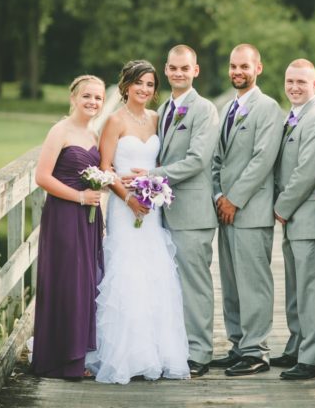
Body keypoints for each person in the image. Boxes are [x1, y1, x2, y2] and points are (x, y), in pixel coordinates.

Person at [86, 59, 190, 384]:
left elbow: (160, 162)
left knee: (154, 272)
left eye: (150, 84)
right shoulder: (115, 121)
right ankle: (125, 356)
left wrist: (154, 188)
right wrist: (129, 199)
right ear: (126, 85)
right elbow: (105, 169)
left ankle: (155, 353)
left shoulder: (157, 119)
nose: (144, 89)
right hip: (124, 208)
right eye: (139, 83)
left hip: (152, 209)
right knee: (127, 272)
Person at [123, 45, 220, 378]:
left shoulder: (204, 110)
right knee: (170, 286)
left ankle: (200, 352)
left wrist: (151, 175)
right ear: (166, 70)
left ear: (196, 71)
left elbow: (197, 160)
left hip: (192, 213)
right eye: (173, 68)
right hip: (162, 213)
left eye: (185, 68)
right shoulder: (163, 108)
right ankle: (176, 349)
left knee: (195, 285)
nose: (179, 73)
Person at [210, 43, 284, 376]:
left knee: (254, 284)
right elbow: (217, 158)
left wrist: (234, 199)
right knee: (231, 283)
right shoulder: (228, 107)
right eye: (233, 66)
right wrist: (218, 195)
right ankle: (238, 345)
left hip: (250, 212)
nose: (237, 71)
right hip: (225, 210)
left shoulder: (268, 108)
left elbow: (262, 160)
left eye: (244, 66)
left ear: (258, 68)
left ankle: (257, 351)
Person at [31, 74, 106, 380]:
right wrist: (80, 196)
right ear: (73, 98)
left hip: (88, 220)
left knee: (84, 285)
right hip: (63, 215)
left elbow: (101, 173)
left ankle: (76, 356)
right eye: (87, 96)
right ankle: (60, 360)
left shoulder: (94, 134)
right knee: (66, 283)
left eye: (98, 98)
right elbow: (42, 177)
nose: (93, 102)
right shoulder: (60, 131)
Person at [269, 59, 315, 380]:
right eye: (290, 81)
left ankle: (314, 358)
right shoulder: (293, 116)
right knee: (295, 288)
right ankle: (297, 345)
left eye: (301, 82)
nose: (294, 87)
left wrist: (280, 207)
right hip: (294, 218)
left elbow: (306, 173)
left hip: (307, 217)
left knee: (311, 289)